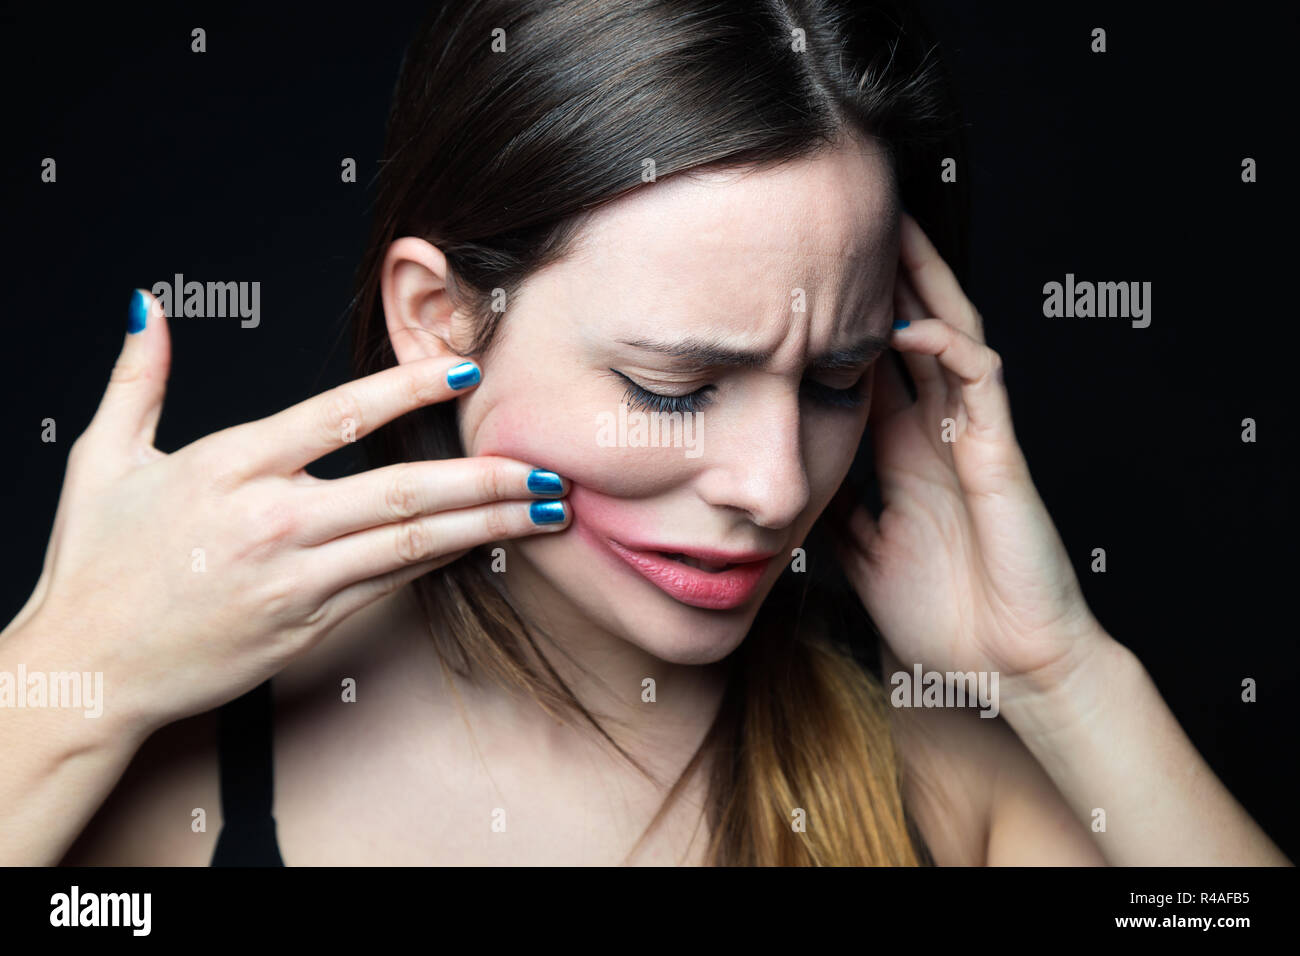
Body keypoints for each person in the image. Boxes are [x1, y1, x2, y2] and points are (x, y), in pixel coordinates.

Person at [1, 0, 1290, 866]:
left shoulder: (934, 780)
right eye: (674, 385)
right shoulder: (184, 781)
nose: (774, 488)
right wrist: (61, 684)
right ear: (441, 319)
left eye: (838, 382)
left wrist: (1063, 678)